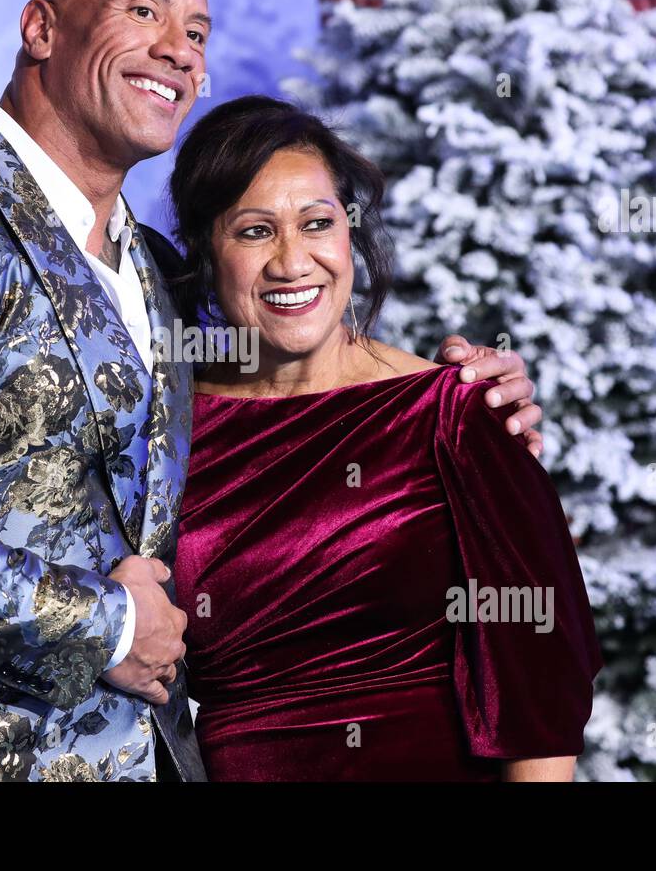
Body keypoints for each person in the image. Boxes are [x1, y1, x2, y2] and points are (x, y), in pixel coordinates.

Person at [0, 0, 545, 782]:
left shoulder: (151, 267)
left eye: (197, 31)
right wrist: (105, 624)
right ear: (41, 29)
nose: (178, 49)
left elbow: (291, 319)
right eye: (142, 11)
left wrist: (454, 390)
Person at [169, 96, 604, 780]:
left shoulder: (454, 412)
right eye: (254, 232)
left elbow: (539, 679)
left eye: (317, 224)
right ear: (204, 250)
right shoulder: (166, 427)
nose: (292, 262)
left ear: (351, 235)